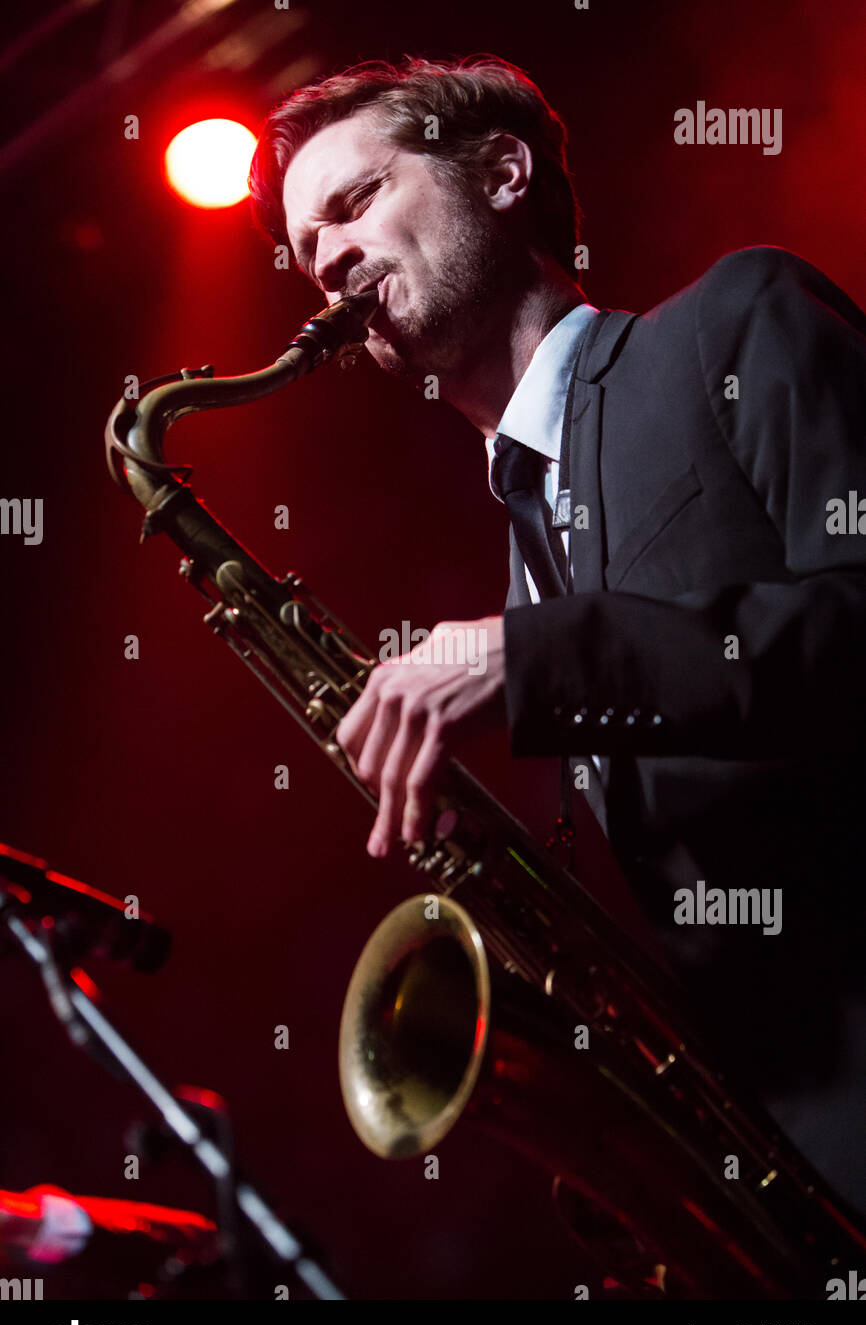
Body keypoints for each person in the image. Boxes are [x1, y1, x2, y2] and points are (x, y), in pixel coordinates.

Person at [249, 56, 866, 1218]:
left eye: (352, 201)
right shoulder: (518, 560)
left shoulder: (735, 317)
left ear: (500, 171)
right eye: (300, 248)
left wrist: (535, 659)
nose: (321, 257)